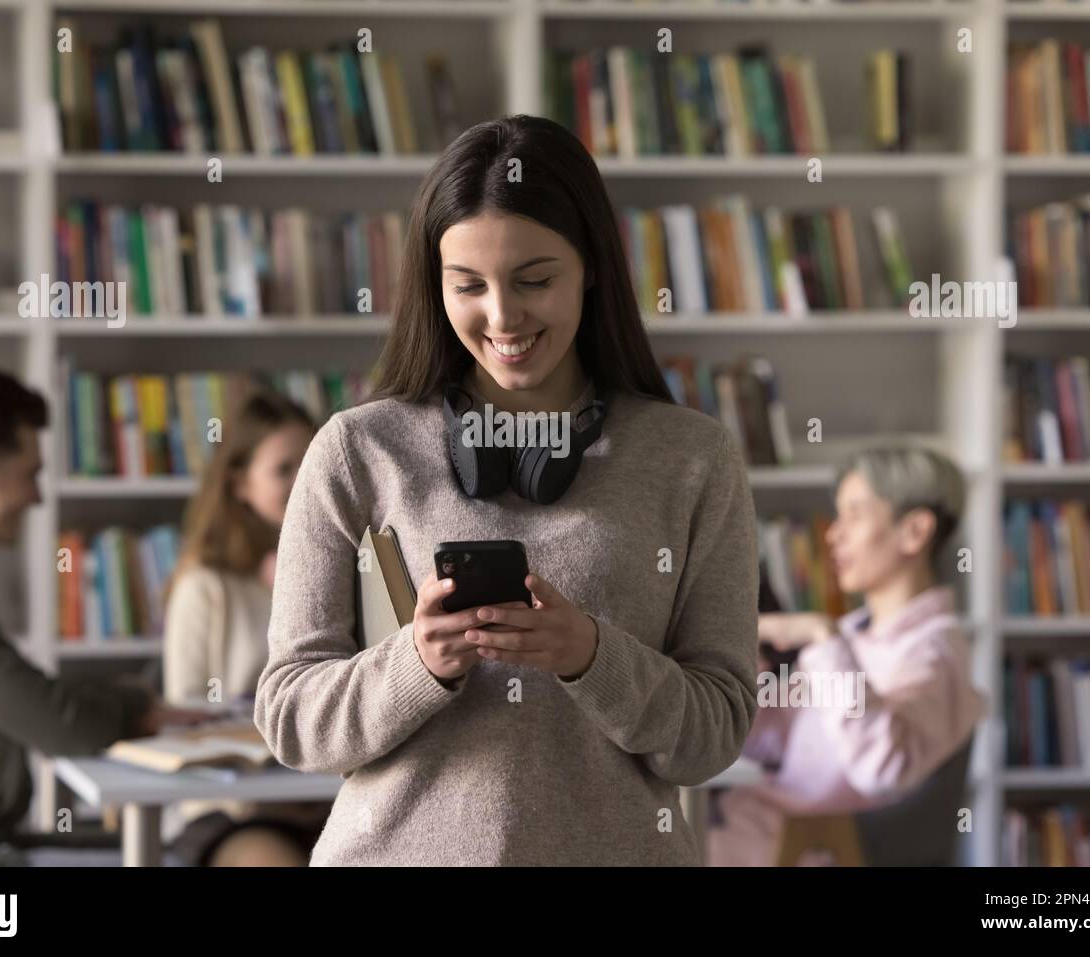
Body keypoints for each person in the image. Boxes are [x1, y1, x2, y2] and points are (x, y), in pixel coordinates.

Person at [254, 114, 761, 866]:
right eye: (468, 285)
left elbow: (715, 730)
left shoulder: (693, 458)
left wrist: (593, 655)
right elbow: (291, 717)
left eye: (535, 280)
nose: (502, 316)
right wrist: (416, 663)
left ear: (591, 265)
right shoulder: (358, 450)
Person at [0, 369, 201, 866]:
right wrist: (139, 701)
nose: (38, 496)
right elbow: (58, 723)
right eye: (29, 474)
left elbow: (29, 695)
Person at [706, 446, 988, 866]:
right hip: (749, 833)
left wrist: (821, 636)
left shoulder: (934, 649)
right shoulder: (855, 637)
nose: (833, 534)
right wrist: (743, 657)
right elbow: (772, 741)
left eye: (854, 514)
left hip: (804, 848)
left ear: (914, 532)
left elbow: (882, 769)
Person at [162, 389, 327, 867]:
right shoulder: (206, 588)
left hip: (330, 796)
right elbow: (186, 725)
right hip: (230, 809)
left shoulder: (351, 569)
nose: (304, 483)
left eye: (311, 463)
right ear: (240, 485)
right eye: (283, 469)